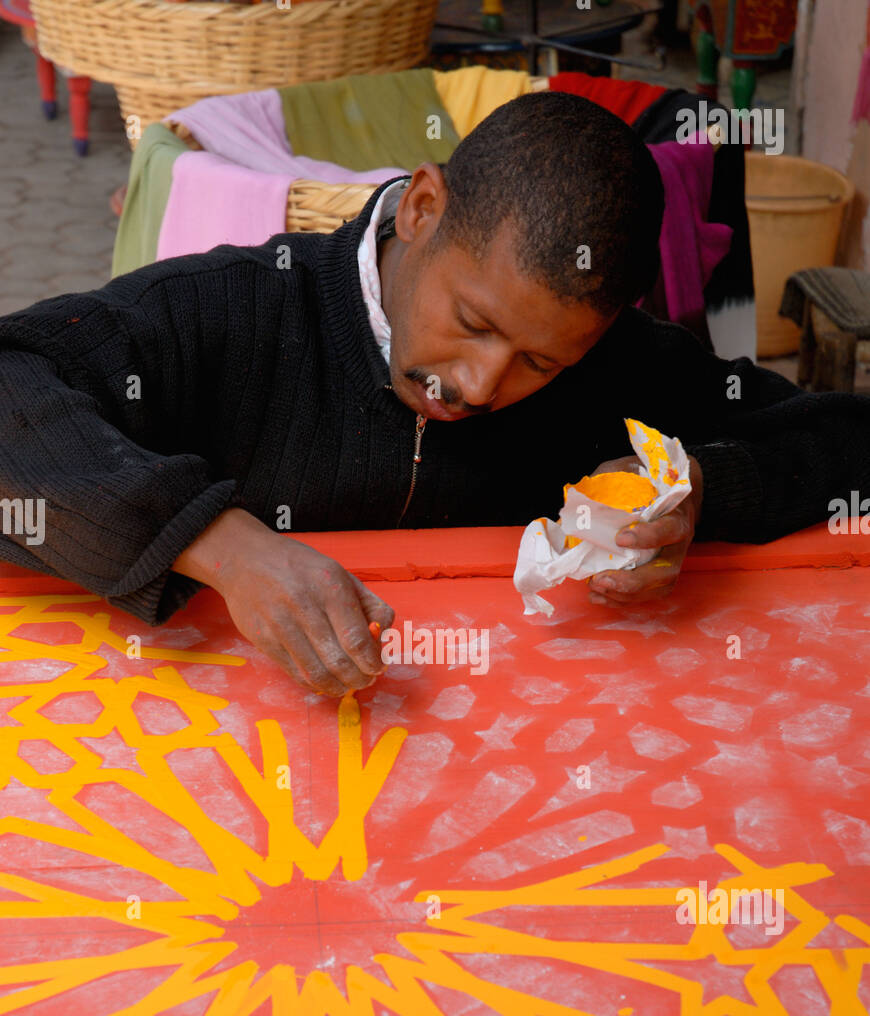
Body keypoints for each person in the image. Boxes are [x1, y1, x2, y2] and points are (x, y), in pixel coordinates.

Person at [0, 93, 867, 698]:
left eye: (540, 363)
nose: (482, 384)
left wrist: (700, 491)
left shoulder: (618, 369)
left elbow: (847, 439)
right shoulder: (223, 313)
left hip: (504, 794)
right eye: (473, 321)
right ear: (421, 205)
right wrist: (224, 548)